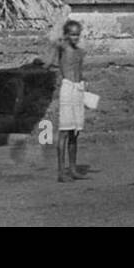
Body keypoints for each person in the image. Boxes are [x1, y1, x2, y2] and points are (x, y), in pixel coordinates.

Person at [53, 20, 85, 182]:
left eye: (77, 34)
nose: (75, 37)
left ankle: (72, 168)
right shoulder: (63, 48)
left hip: (78, 89)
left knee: (75, 132)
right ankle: (61, 171)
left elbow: (80, 72)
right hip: (67, 88)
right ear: (66, 35)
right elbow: (53, 40)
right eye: (72, 34)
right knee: (64, 131)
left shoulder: (80, 52)